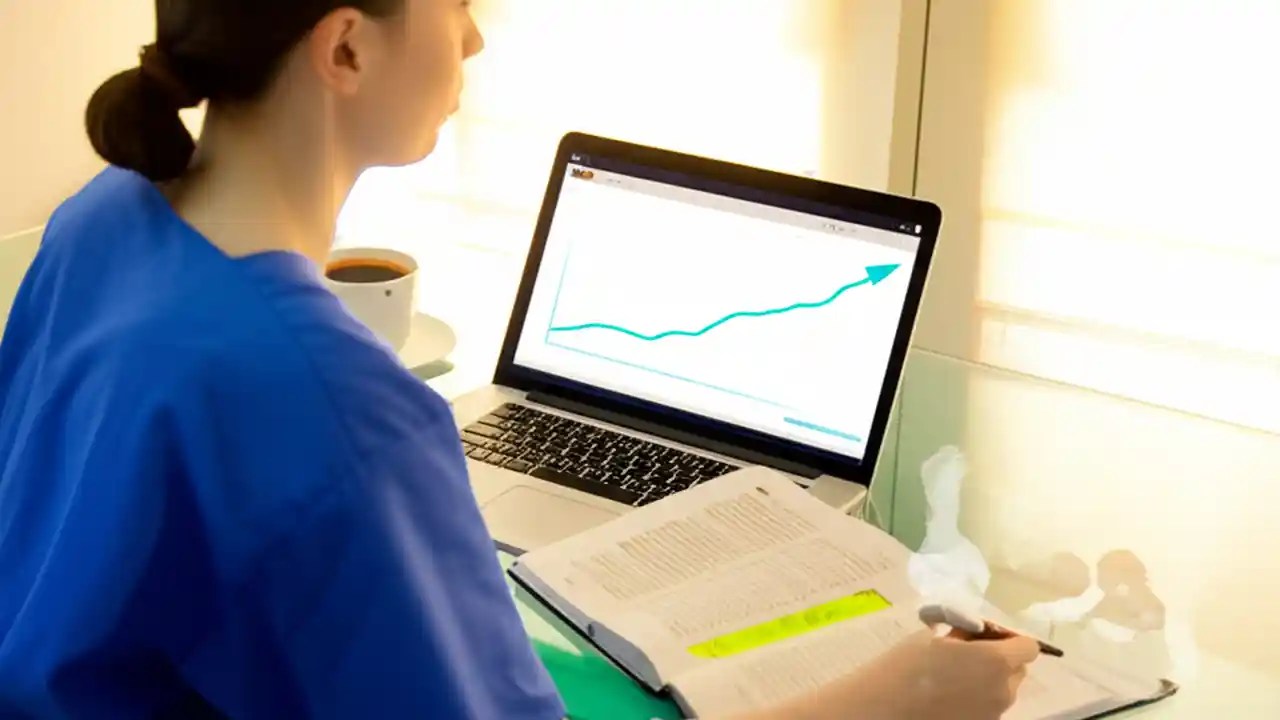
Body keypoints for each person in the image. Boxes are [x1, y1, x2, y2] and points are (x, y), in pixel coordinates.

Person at [0, 1, 1039, 717]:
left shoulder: (97, 225)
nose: (475, 36)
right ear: (346, 50)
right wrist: (898, 701)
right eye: (452, 2)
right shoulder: (338, 407)